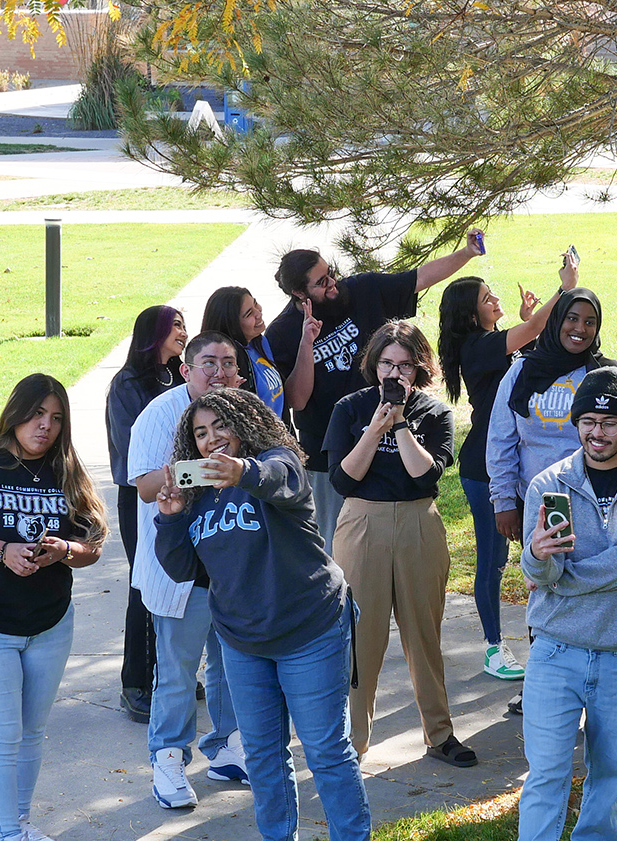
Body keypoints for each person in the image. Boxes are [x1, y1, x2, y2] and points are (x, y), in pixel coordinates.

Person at [153, 388, 371, 841]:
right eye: (200, 433)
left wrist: (241, 472)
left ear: (245, 424)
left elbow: (280, 476)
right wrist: (172, 516)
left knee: (326, 752)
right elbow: (181, 568)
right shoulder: (197, 493)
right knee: (262, 755)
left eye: (221, 426)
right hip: (242, 641)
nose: (212, 439)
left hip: (310, 629)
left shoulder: (277, 460)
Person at [0, 373, 108, 841]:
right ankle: (6, 834)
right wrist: (2, 551)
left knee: (31, 732)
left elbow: (93, 545)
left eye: (56, 418)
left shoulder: (66, 469)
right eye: (36, 414)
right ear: (16, 413)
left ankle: (20, 825)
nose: (45, 426)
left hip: (50, 623)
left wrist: (63, 550)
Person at [517, 368, 617, 841]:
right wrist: (538, 556)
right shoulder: (549, 483)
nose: (597, 432)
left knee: (609, 776)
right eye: (588, 420)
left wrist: (563, 582)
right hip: (554, 653)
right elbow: (537, 574)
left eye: (610, 422)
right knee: (546, 775)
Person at [264, 234, 483, 549]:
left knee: (394, 540)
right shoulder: (283, 332)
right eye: (322, 282)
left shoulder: (362, 290)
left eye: (331, 273)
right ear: (300, 293)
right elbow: (297, 400)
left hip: (393, 442)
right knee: (338, 544)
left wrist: (467, 253)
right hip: (331, 455)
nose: (333, 283)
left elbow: (418, 278)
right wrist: (306, 343)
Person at [323, 320, 475, 765]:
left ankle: (439, 733)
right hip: (362, 524)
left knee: (423, 634)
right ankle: (352, 742)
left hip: (418, 526)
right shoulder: (349, 408)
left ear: (419, 369)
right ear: (373, 364)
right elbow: (342, 478)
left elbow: (425, 475)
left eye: (405, 366)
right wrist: (374, 429)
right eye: (387, 363)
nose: (394, 374)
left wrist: (402, 423)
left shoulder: (435, 413)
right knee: (359, 640)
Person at [438, 255, 579, 681]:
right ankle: (493, 647)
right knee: (493, 557)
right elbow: (536, 331)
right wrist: (567, 287)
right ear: (470, 311)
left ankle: (549, 639)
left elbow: (532, 342)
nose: (494, 298)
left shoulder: (492, 341)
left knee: (536, 554)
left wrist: (526, 319)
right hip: (486, 466)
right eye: (486, 297)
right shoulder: (477, 347)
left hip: (515, 462)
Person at [128, 332, 247, 808]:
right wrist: (202, 468)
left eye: (229, 364)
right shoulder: (159, 414)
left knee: (232, 664)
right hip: (180, 570)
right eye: (209, 364)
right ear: (186, 370)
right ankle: (168, 760)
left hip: (233, 570)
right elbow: (144, 486)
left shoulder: (243, 410)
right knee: (177, 672)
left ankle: (229, 749)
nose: (220, 372)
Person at [486, 286, 617, 714]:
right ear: (557, 318)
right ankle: (541, 686)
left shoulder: (603, 375)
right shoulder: (523, 370)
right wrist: (503, 499)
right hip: (538, 503)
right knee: (542, 588)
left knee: (590, 591)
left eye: (590, 321)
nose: (579, 329)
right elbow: (501, 438)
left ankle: (590, 685)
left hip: (593, 502)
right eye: (572, 318)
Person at [105, 305, 185, 723]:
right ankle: (135, 682)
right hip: (139, 495)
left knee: (178, 578)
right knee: (145, 583)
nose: (184, 333)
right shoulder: (126, 384)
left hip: (180, 488)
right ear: (153, 333)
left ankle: (170, 670)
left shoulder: (178, 375)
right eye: (176, 326)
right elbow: (134, 444)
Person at [200, 286, 286, 417]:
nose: (258, 313)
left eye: (255, 303)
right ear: (232, 325)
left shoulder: (260, 342)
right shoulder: (230, 361)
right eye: (249, 313)